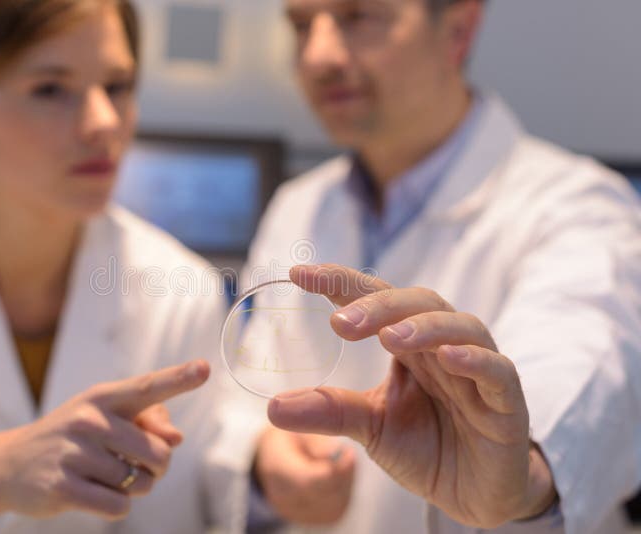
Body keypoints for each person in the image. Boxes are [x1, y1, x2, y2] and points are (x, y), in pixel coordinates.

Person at [240, 0, 641, 532]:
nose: (318, 56)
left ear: (458, 28)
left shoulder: (579, 208)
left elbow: (584, 372)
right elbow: (241, 389)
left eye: (358, 16)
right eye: (300, 25)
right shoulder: (299, 205)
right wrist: (263, 466)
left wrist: (520, 478)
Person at [0, 1, 243, 532]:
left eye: (118, 86)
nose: (103, 121)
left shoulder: (177, 289)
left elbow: (172, 521)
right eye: (50, 89)